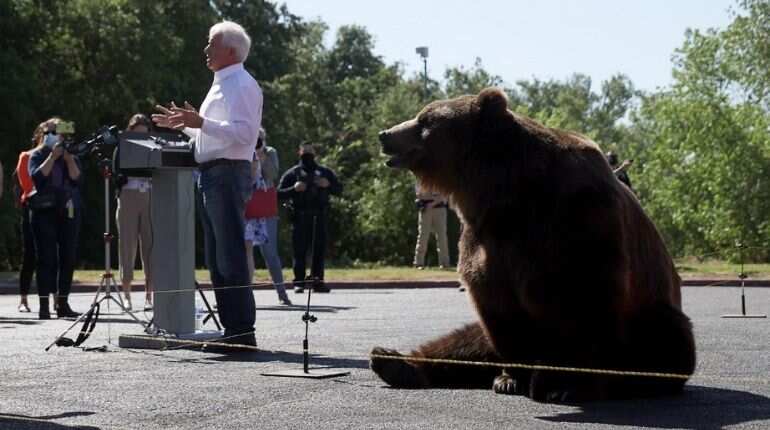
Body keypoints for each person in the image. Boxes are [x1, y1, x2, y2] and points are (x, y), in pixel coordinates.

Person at [153, 20, 261, 347]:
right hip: (212, 173)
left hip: (227, 174)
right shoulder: (221, 83)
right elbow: (211, 136)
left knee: (229, 255)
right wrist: (186, 126)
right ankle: (232, 330)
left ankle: (242, 331)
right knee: (217, 258)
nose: (206, 50)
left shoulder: (241, 84)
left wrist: (201, 121)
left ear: (230, 50)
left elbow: (244, 134)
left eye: (211, 44)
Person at [28, 118, 83, 319]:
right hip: (45, 211)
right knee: (46, 258)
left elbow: (78, 179)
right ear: (44, 135)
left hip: (68, 210)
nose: (54, 135)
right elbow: (37, 177)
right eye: (50, 132)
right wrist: (52, 157)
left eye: (57, 132)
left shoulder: (71, 154)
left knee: (67, 257)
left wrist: (67, 159)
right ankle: (44, 305)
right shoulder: (38, 154)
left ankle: (63, 303)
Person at [277, 143, 342, 294]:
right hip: (300, 216)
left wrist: (328, 185)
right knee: (299, 251)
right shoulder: (293, 173)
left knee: (318, 251)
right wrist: (294, 189)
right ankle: (299, 283)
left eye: (310, 152)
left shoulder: (325, 172)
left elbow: (339, 189)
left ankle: (317, 282)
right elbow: (278, 193)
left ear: (315, 154)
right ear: (299, 153)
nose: (307, 155)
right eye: (304, 152)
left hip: (319, 215)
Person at [116, 114, 154, 311]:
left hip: (148, 194)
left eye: (144, 134)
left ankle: (150, 295)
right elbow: (116, 172)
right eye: (137, 134)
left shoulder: (154, 146)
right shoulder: (122, 147)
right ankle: (127, 294)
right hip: (128, 195)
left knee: (150, 246)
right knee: (127, 245)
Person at [249, 128, 291, 305]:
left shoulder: (270, 152)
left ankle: (282, 294)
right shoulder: (243, 151)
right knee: (243, 252)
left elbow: (272, 175)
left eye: (259, 138)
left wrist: (261, 155)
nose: (256, 141)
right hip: (247, 205)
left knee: (270, 252)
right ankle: (241, 294)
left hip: (265, 207)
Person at [13, 127, 43, 313]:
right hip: (32, 208)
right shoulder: (27, 156)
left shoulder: (62, 157)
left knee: (53, 256)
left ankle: (56, 299)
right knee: (30, 255)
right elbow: (26, 185)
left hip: (55, 210)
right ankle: (23, 298)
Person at [413, 181, 451, 269]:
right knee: (423, 235)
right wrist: (434, 198)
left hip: (440, 209)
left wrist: (432, 201)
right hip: (425, 209)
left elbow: (444, 195)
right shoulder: (421, 180)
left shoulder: (440, 179)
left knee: (442, 236)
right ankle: (418, 263)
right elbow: (419, 195)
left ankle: (444, 263)